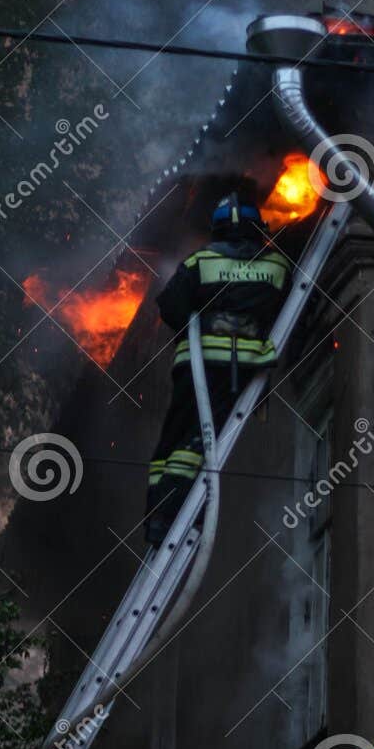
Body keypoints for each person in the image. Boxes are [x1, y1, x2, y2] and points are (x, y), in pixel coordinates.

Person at [145, 189, 291, 546]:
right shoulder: (277, 266)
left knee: (178, 443)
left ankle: (163, 517)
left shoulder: (201, 261)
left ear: (218, 229)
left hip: (198, 369)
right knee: (201, 442)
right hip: (245, 370)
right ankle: (178, 512)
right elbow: (291, 309)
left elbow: (171, 307)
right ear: (258, 228)